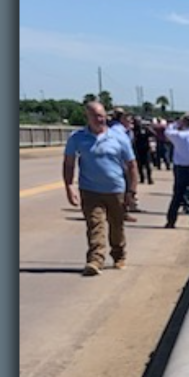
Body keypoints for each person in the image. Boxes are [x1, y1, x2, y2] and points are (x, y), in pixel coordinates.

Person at [62, 101, 140, 275]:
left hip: (116, 189)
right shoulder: (77, 138)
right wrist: (69, 186)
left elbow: (132, 165)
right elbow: (69, 163)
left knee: (117, 226)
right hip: (90, 190)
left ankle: (119, 255)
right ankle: (95, 260)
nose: (100, 119)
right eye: (96, 116)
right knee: (95, 225)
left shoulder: (119, 137)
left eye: (102, 115)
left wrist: (132, 191)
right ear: (87, 117)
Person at [132, 118, 155, 186]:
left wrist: (148, 128)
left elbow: (153, 134)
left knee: (147, 165)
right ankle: (142, 178)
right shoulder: (134, 129)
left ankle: (149, 178)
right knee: (139, 165)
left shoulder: (145, 129)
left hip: (146, 149)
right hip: (138, 149)